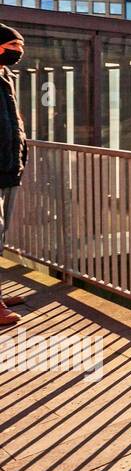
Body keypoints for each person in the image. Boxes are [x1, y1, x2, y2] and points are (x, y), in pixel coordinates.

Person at [0, 24, 27, 329]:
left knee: (1, 235)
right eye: (13, 48)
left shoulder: (6, 77)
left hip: (9, 167)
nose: (18, 54)